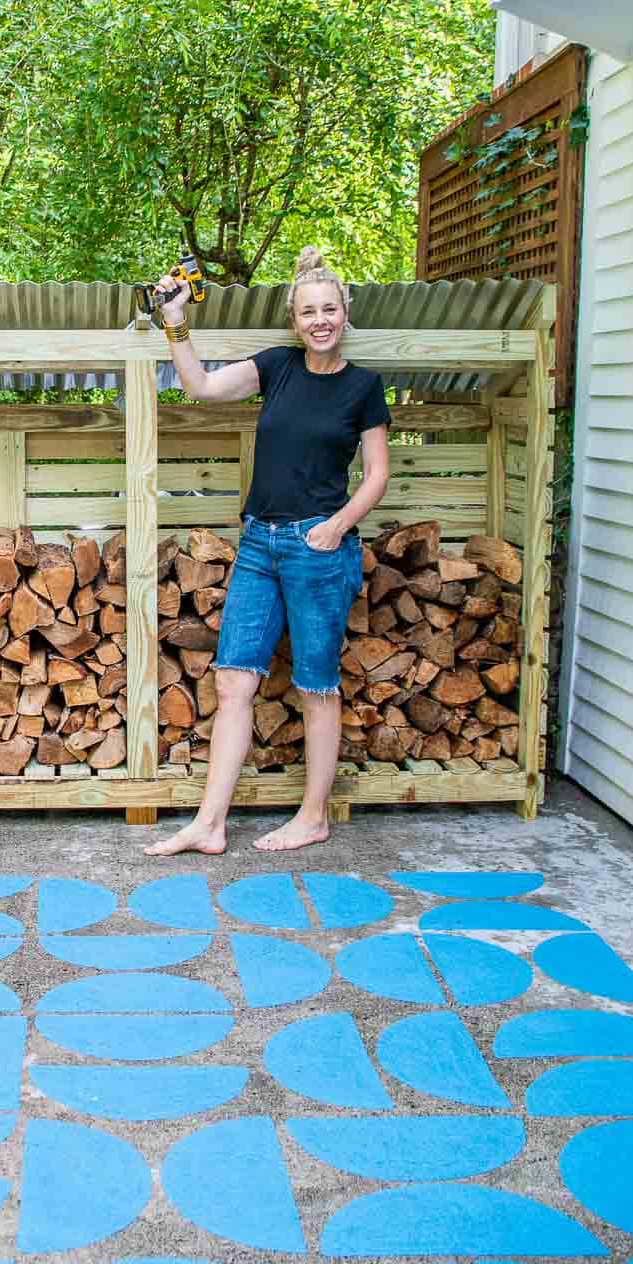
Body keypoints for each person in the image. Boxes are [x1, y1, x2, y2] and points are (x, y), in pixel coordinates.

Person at [145, 246, 390, 855]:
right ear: (295, 319)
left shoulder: (363, 387)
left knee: (316, 685)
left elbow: (378, 474)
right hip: (259, 542)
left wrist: (335, 528)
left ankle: (313, 816)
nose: (320, 320)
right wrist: (176, 321)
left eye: (329, 309)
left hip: (317, 547)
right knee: (233, 680)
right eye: (309, 311)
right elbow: (201, 386)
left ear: (345, 312)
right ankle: (209, 823)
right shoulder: (278, 367)